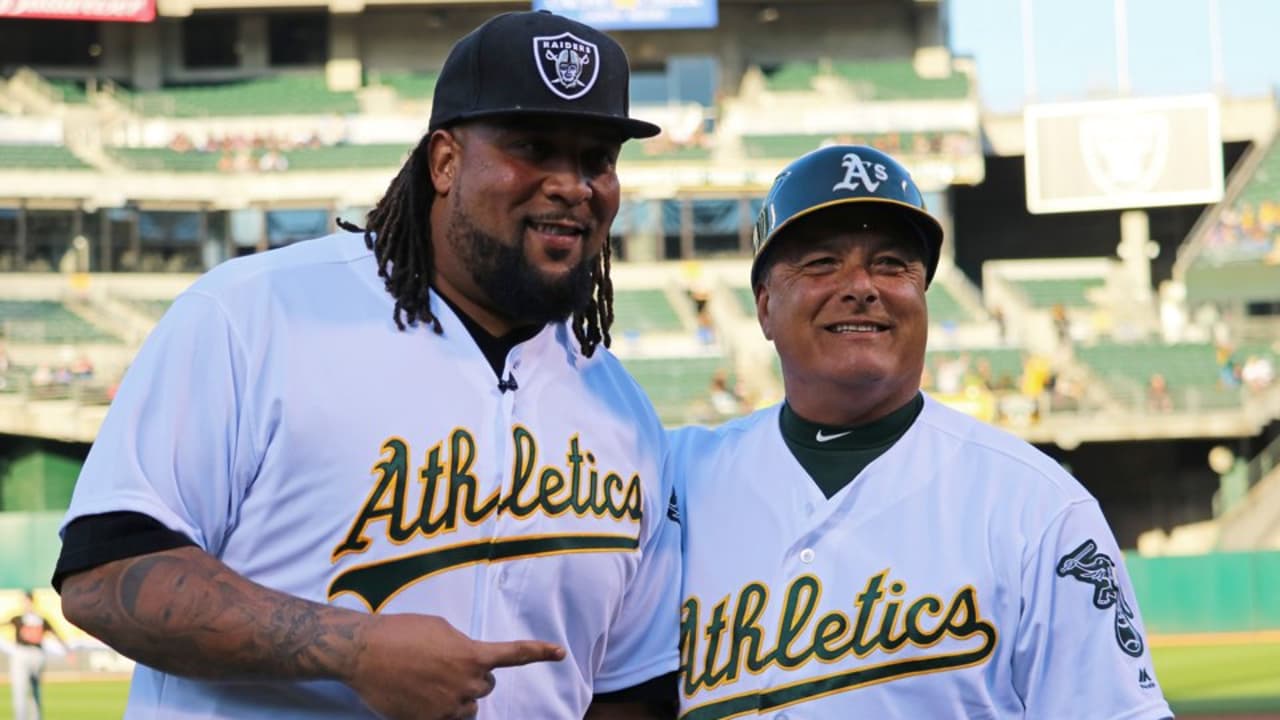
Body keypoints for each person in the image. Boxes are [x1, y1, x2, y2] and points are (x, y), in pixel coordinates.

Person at [53, 11, 679, 720]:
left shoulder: (624, 415)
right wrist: (351, 648)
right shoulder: (256, 314)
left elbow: (630, 688)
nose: (573, 184)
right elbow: (105, 574)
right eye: (533, 147)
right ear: (444, 161)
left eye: (597, 158)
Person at [668, 145, 1172, 719]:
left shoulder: (1037, 506)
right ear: (763, 307)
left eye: (891, 263)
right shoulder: (678, 482)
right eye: (822, 263)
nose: (861, 285)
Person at [7, 591, 67, 720]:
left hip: (29, 654)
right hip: (31, 654)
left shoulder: (26, 618)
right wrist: (67, 649)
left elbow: (55, 633)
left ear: (30, 601)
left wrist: (67, 650)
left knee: (25, 691)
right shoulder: (26, 618)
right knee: (27, 691)